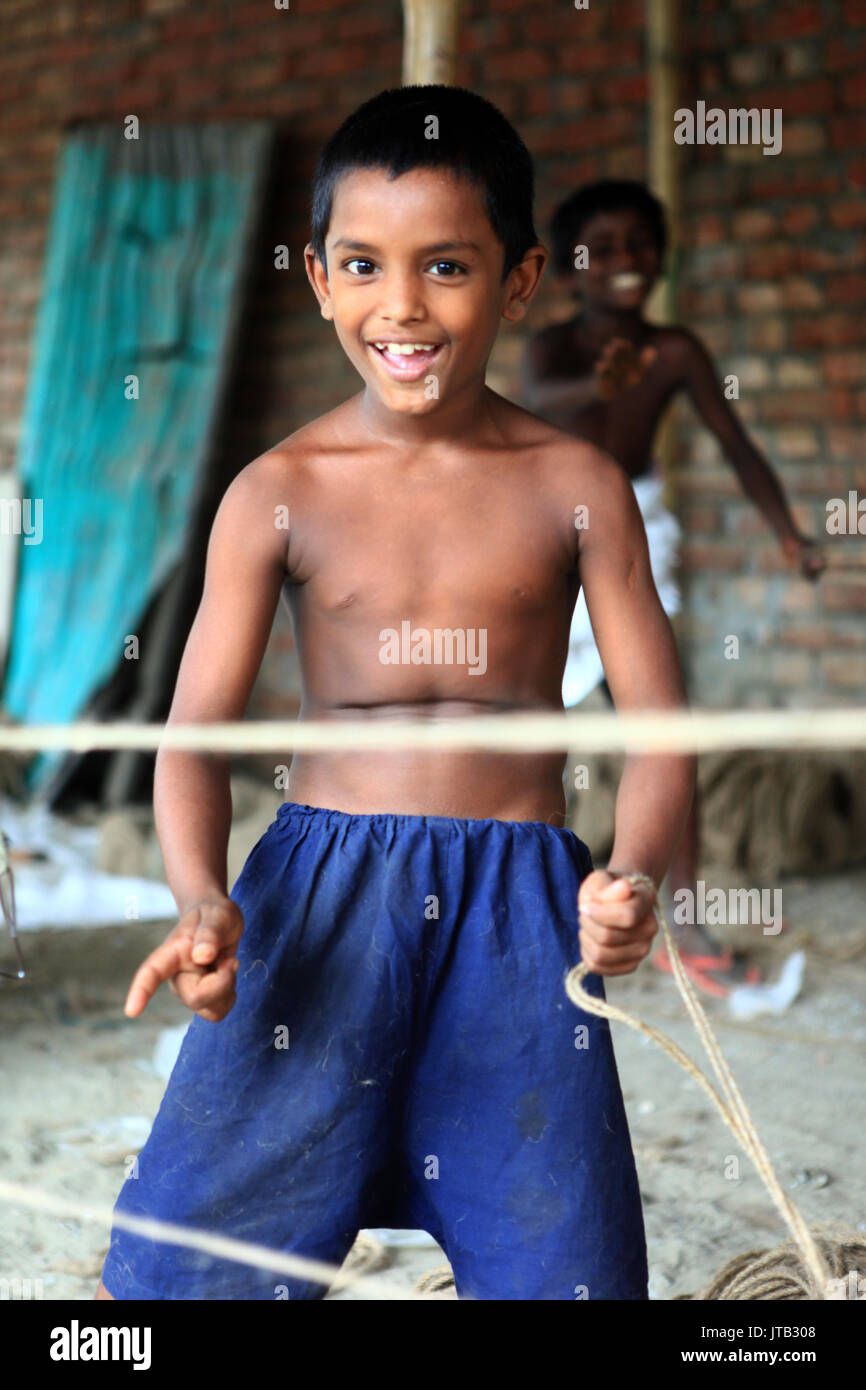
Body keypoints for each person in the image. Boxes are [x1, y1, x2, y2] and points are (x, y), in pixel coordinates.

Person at [96, 88, 693, 1303]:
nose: (402, 307)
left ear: (520, 281)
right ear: (317, 278)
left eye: (447, 266)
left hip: (521, 903)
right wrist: (202, 896)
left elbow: (665, 731)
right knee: (187, 1270)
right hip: (318, 898)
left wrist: (631, 878)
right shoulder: (279, 490)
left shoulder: (575, 484)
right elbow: (193, 741)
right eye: (363, 264)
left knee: (563, 1267)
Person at [521, 179, 824, 996]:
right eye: (602, 248)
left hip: (632, 538)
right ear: (570, 268)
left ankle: (681, 921)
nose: (623, 261)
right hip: (542, 538)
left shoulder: (677, 350)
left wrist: (789, 532)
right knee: (520, 721)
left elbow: (737, 445)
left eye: (638, 245)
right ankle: (521, 909)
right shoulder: (549, 349)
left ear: (661, 258)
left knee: (662, 729)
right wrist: (601, 389)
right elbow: (534, 400)